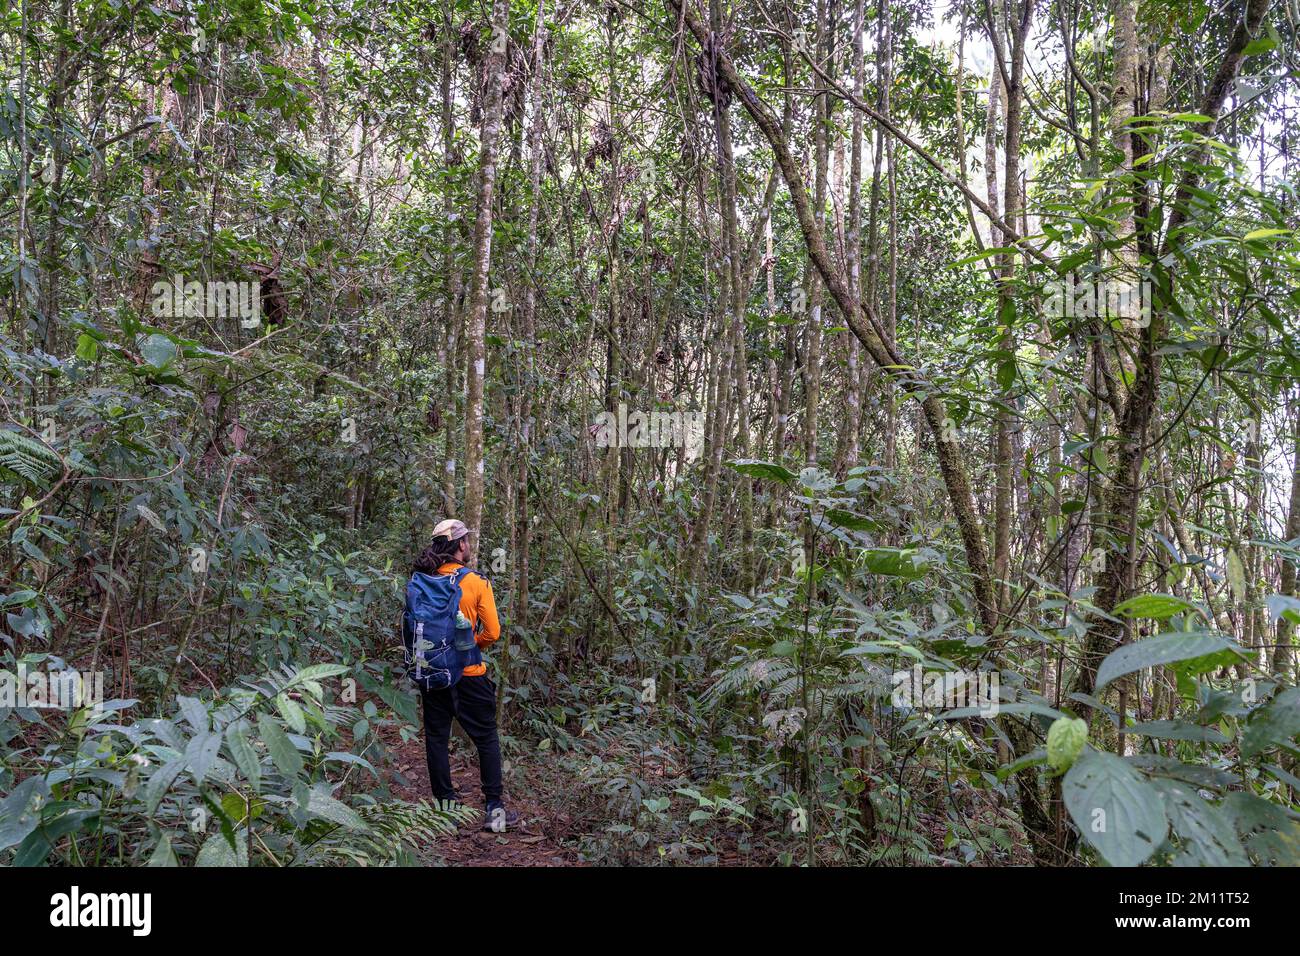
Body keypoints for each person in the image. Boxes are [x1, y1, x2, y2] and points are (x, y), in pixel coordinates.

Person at [411, 518, 520, 831]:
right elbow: (494, 632)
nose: (469, 545)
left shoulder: (423, 580)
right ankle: (494, 811)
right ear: (459, 545)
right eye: (467, 540)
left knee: (436, 738)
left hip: (432, 672)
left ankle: (445, 809)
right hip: (470, 673)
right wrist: (470, 647)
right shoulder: (475, 582)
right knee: (486, 738)